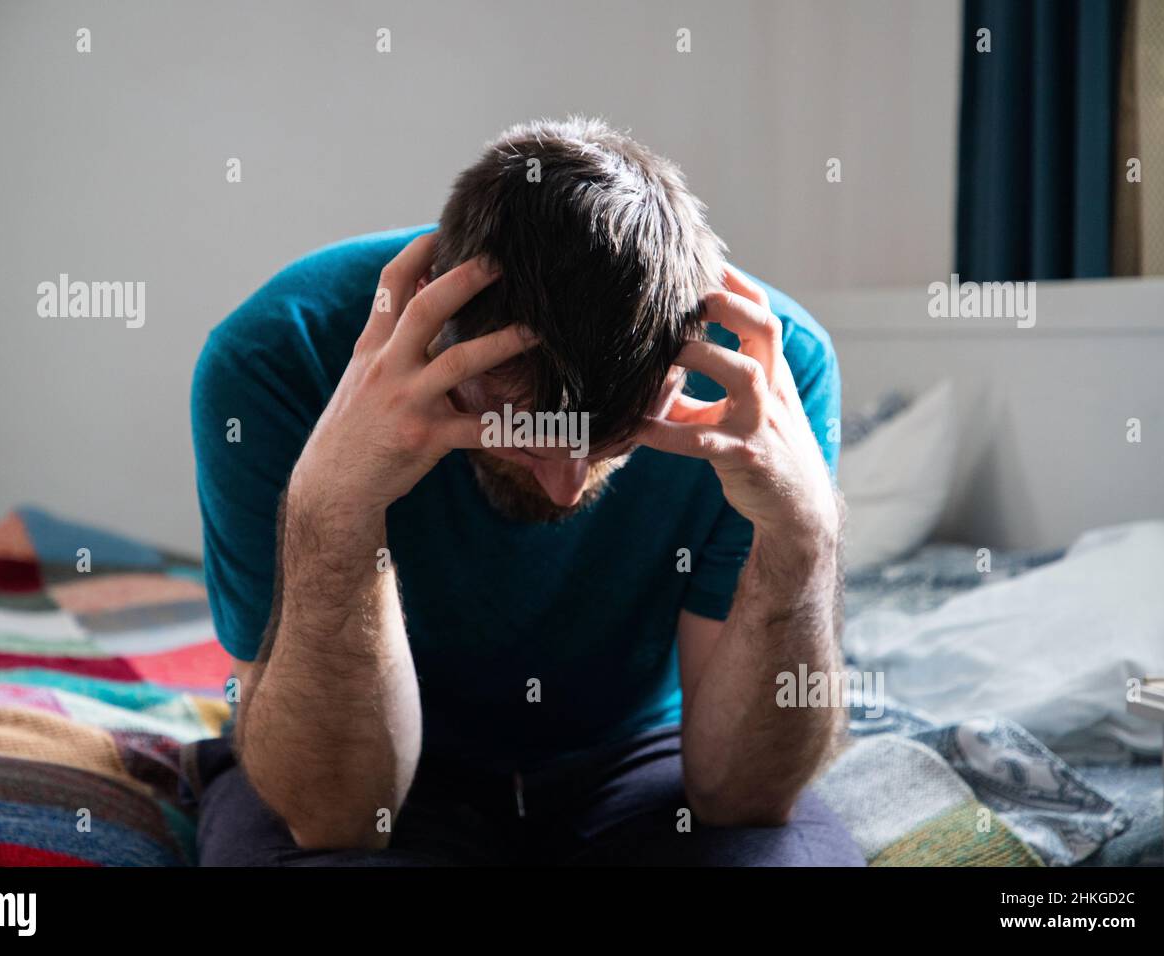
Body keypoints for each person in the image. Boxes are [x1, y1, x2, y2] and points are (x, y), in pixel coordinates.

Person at [185, 117, 862, 866]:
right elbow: (337, 819)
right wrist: (336, 503)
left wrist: (805, 534)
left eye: (621, 440)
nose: (567, 489)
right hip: (370, 758)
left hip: (642, 756)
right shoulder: (274, 359)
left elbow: (740, 799)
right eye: (520, 436)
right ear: (442, 348)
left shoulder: (771, 374)